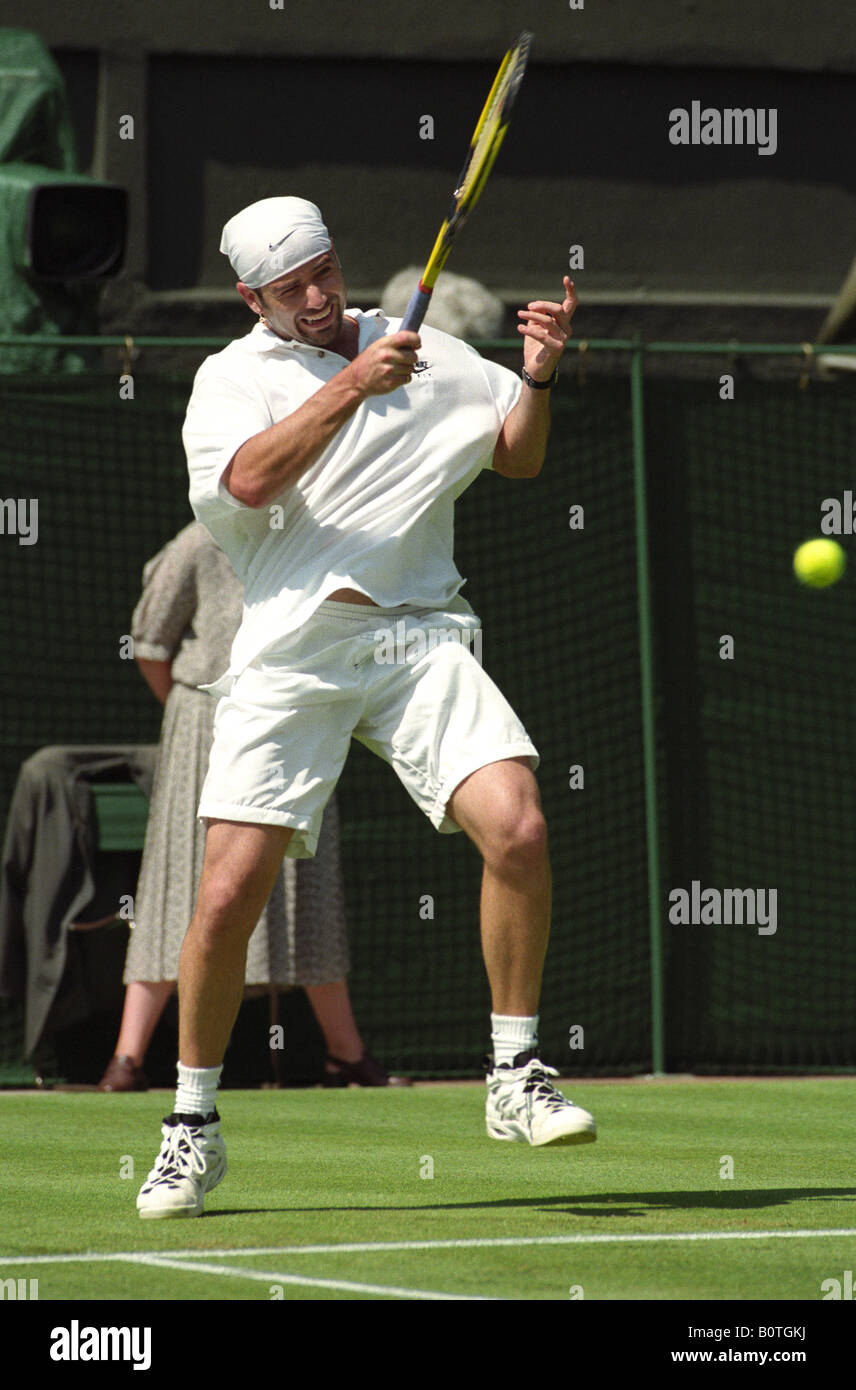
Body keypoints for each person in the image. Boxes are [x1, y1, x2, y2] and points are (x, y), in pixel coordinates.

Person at [137, 196, 596, 1220]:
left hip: (420, 636)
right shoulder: (229, 379)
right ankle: (191, 1126)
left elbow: (517, 455)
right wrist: (351, 383)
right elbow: (246, 483)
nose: (315, 292)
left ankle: (513, 1074)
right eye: (290, 284)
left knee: (518, 826)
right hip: (295, 648)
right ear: (251, 297)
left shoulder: (423, 348)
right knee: (225, 898)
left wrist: (538, 370)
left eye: (324, 270)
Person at [100, 521, 407, 1093]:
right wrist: (194, 715)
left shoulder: (318, 535)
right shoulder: (197, 541)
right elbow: (149, 645)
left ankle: (346, 1054)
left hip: (296, 718)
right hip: (205, 728)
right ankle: (128, 1059)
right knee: (181, 883)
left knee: (304, 880)